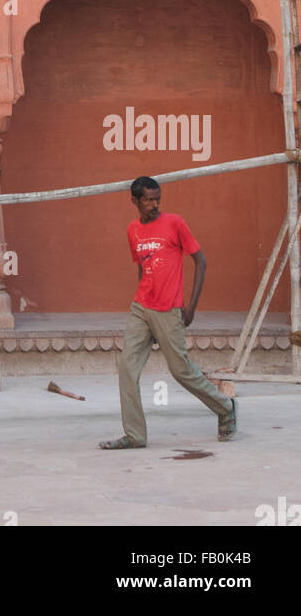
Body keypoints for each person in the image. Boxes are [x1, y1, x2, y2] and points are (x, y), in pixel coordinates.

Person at [100, 175, 237, 450]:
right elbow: (142, 266)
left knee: (180, 371)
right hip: (141, 308)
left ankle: (225, 407)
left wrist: (191, 307)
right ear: (135, 201)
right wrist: (144, 310)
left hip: (170, 308)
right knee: (127, 368)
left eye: (157, 199)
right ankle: (135, 435)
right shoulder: (133, 230)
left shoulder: (175, 223)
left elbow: (201, 262)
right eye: (148, 200)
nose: (154, 204)